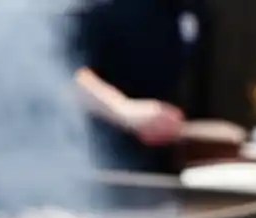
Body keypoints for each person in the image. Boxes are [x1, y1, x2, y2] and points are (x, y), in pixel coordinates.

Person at [73, 0, 202, 173]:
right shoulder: (96, 8)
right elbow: (58, 71)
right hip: (94, 159)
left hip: (156, 163)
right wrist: (123, 109)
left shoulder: (191, 11)